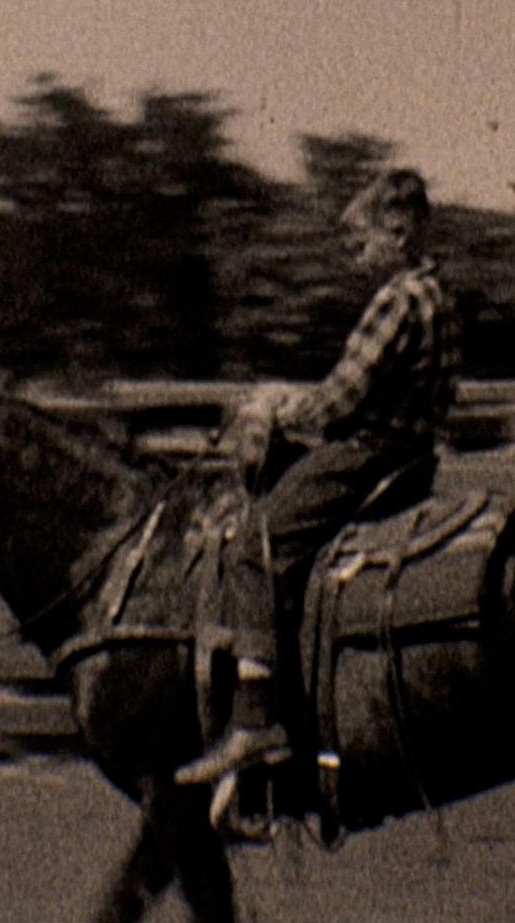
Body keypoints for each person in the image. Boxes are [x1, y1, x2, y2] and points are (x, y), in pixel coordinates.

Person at [174, 169, 461, 832]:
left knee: (257, 544)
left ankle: (252, 718)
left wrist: (275, 405)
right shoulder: (440, 295)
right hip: (410, 458)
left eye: (361, 243)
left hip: (367, 454)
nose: (354, 257)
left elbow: (339, 401)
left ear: (399, 231)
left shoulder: (398, 301)